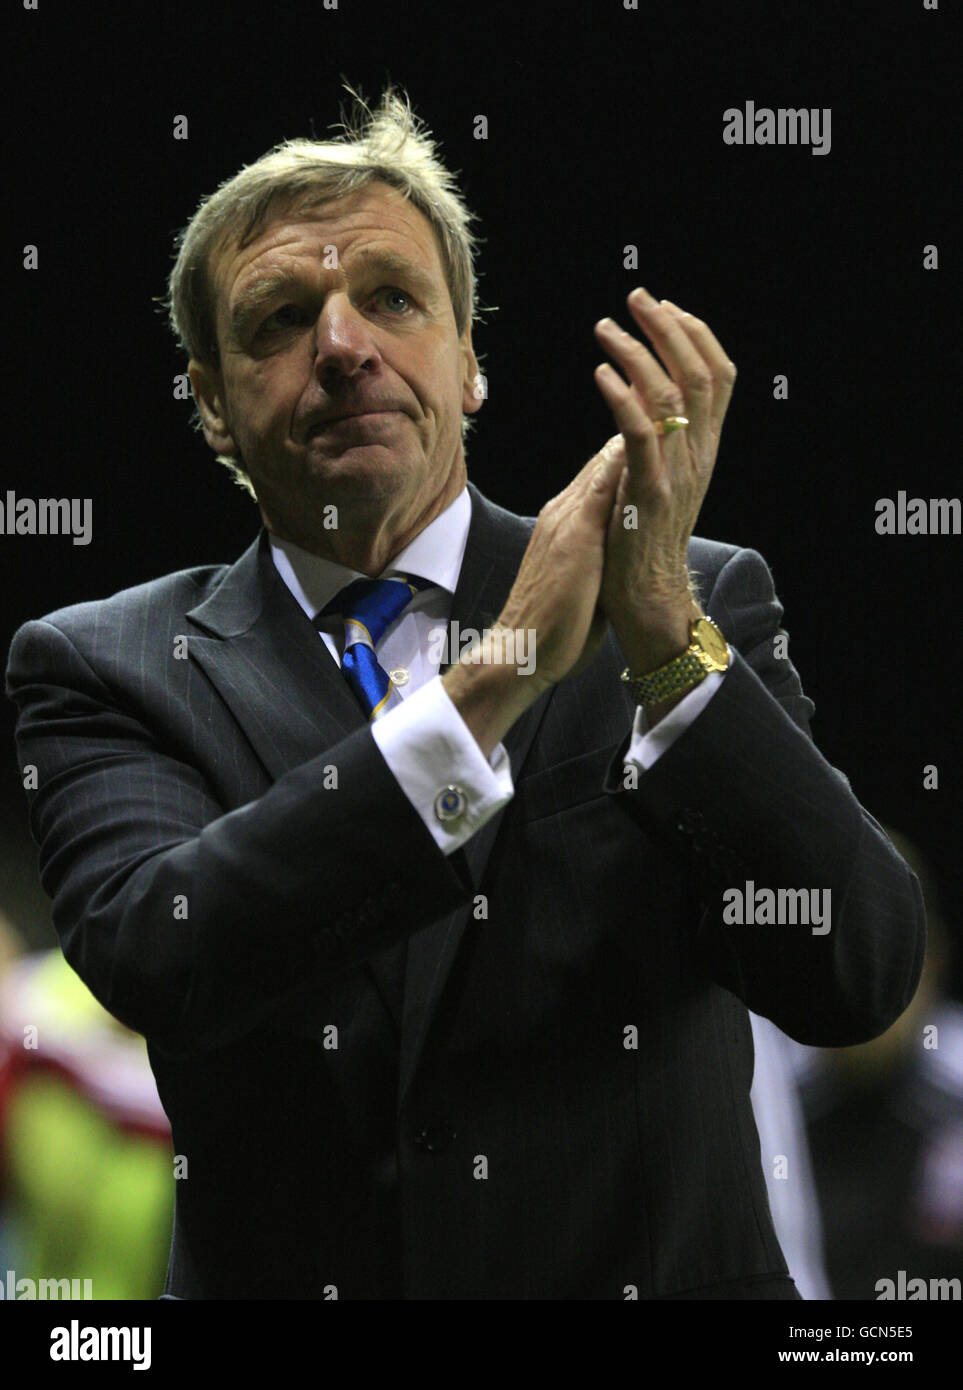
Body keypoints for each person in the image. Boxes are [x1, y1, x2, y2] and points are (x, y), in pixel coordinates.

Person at [5, 86, 926, 1300]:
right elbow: (166, 958)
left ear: (471, 359)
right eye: (282, 318)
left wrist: (662, 645)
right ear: (212, 404)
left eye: (390, 298)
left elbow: (856, 972)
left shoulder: (689, 601)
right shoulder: (104, 665)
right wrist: (496, 678)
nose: (343, 346)